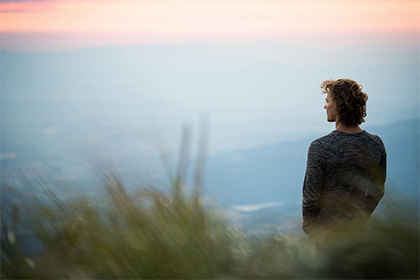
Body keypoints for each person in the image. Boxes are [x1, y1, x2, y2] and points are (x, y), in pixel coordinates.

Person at [302, 78, 386, 237]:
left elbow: (311, 198)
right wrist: (360, 218)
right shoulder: (376, 145)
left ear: (339, 105)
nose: (325, 106)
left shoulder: (320, 147)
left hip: (324, 236)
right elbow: (377, 191)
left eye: (327, 101)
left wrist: (311, 231)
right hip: (359, 235)